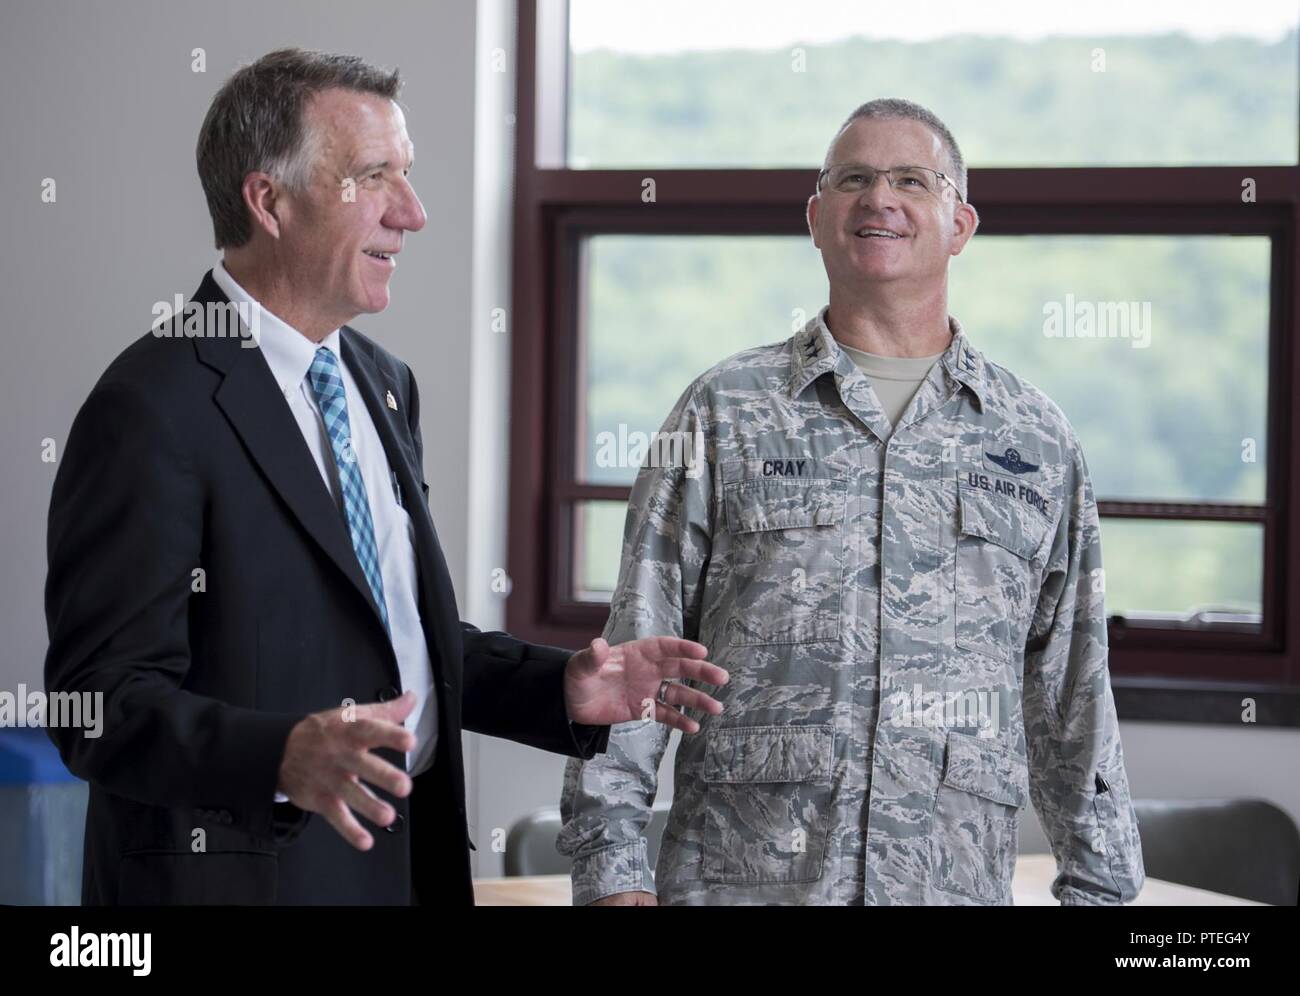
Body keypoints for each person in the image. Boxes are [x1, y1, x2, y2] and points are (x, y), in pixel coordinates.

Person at [43, 48, 725, 906]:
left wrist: (557, 687)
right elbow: (96, 703)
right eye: (374, 177)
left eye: (407, 175)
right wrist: (284, 754)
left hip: (404, 872)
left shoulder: (381, 382)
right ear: (270, 202)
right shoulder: (151, 404)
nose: (414, 212)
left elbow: (394, 637)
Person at [558, 98, 1144, 906]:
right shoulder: (722, 411)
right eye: (854, 179)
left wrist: (1103, 885)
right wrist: (611, 869)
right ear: (816, 216)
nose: (880, 199)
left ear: (960, 224)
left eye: (913, 179)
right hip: (744, 887)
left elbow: (1073, 688)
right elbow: (635, 653)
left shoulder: (1036, 440)